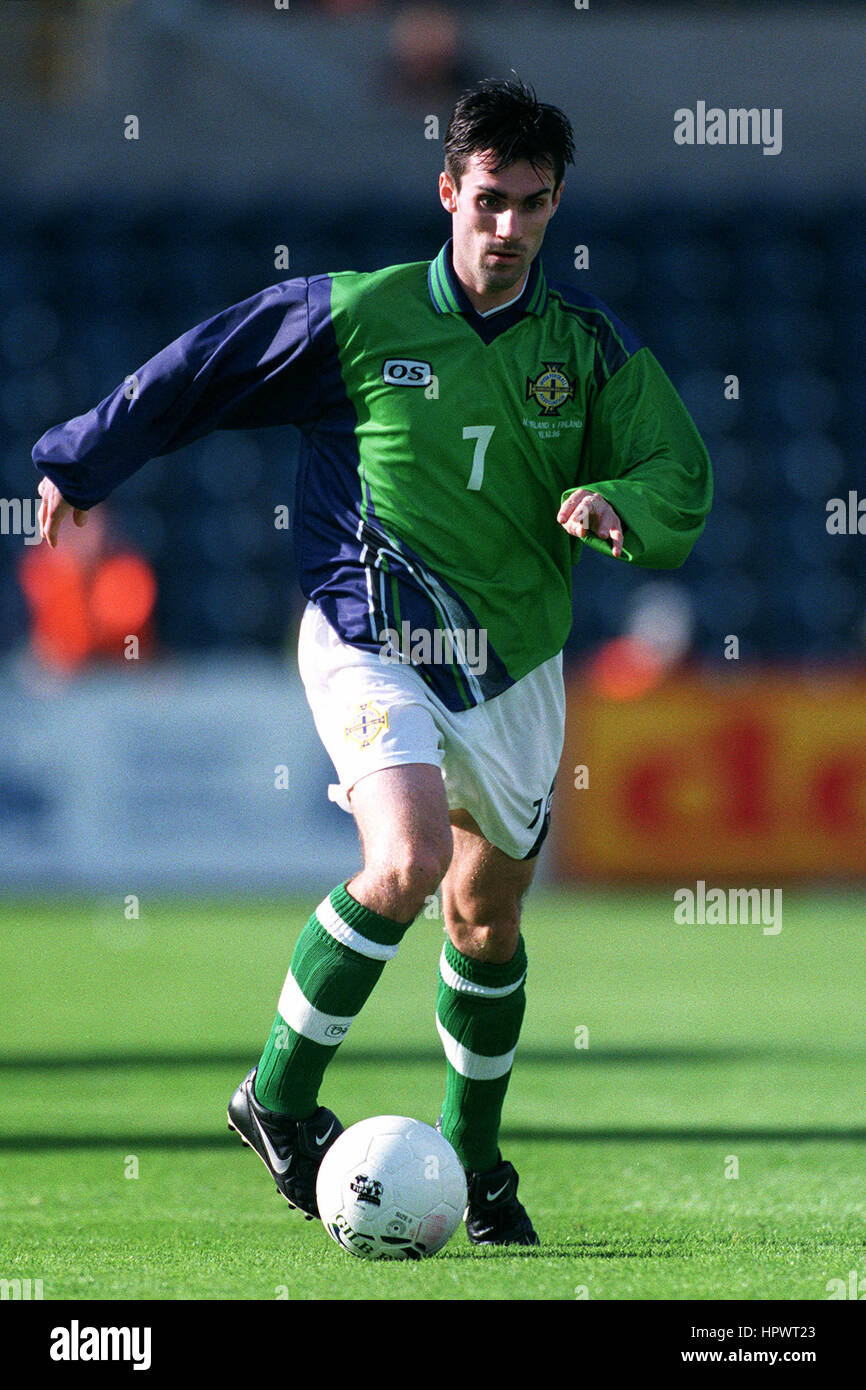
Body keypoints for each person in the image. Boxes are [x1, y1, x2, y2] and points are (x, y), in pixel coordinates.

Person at [33, 78, 712, 1247]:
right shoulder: (358, 314)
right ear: (447, 190)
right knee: (399, 861)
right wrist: (80, 459)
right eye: (487, 200)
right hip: (371, 633)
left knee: (483, 919)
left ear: (556, 207)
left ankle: (480, 1163)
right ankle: (278, 1098)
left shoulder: (587, 348)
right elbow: (201, 368)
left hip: (514, 665)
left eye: (531, 206)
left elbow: (678, 471)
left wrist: (620, 502)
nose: (506, 229)